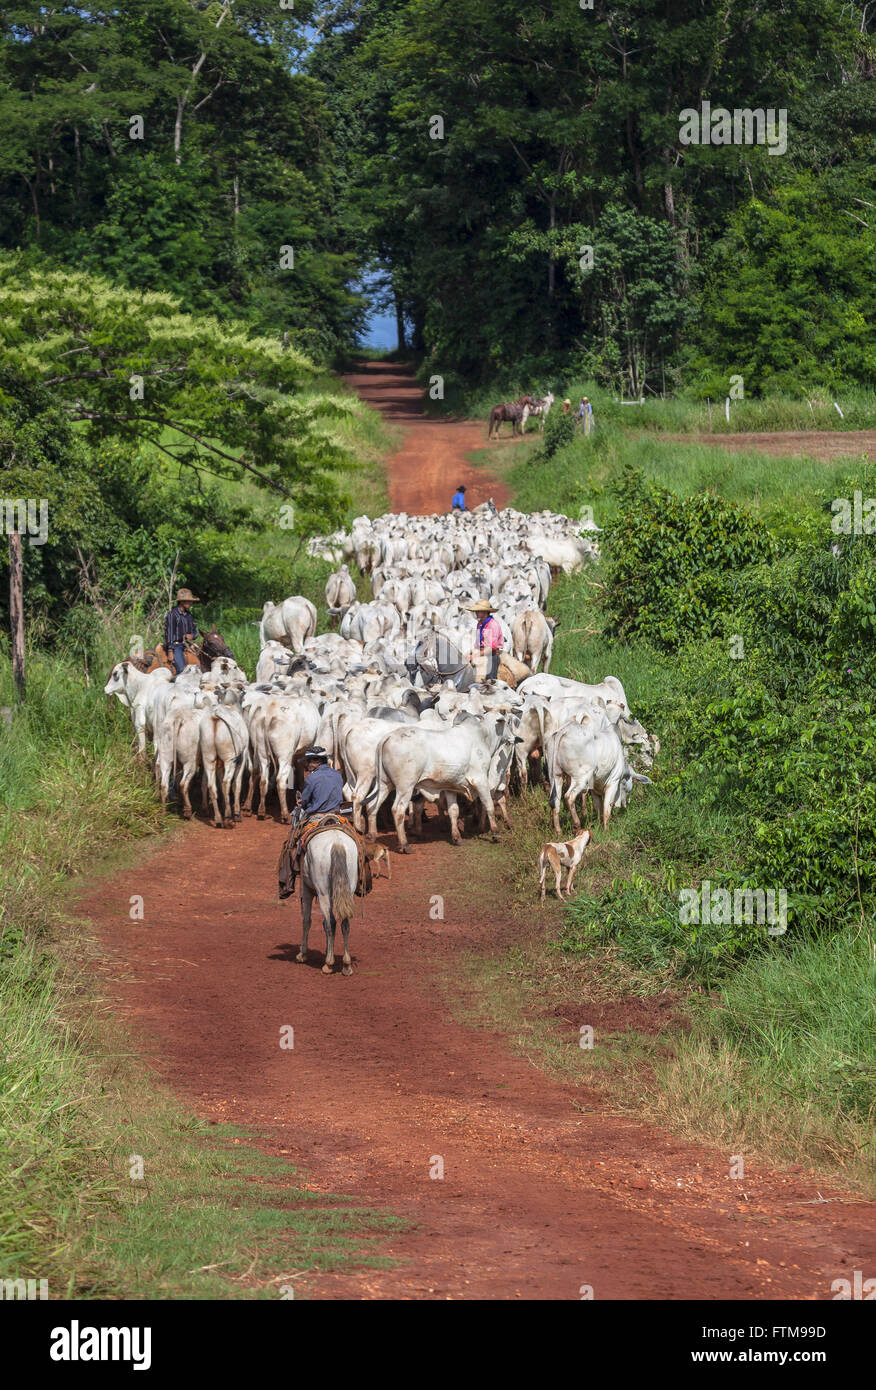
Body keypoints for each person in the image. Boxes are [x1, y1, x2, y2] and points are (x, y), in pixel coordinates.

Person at [299, 746, 344, 817]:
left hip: (317, 815)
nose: (307, 765)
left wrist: (303, 803)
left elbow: (305, 802)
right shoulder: (337, 774)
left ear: (318, 761)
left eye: (308, 761)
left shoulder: (311, 778)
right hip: (337, 814)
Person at [164, 588, 200, 675]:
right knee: (181, 670)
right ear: (182, 602)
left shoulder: (189, 615)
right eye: (188, 601)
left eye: (191, 601)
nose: (191, 603)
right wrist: (170, 651)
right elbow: (170, 633)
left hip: (187, 645)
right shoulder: (172, 614)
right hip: (176, 646)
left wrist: (192, 636)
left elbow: (195, 630)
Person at [467, 597, 503, 683]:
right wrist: (471, 653)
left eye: (479, 610)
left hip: (492, 655)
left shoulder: (493, 625)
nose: (476, 612)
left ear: (485, 612)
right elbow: (477, 643)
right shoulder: (479, 624)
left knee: (490, 680)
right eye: (476, 610)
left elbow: (491, 648)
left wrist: (476, 655)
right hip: (482, 652)